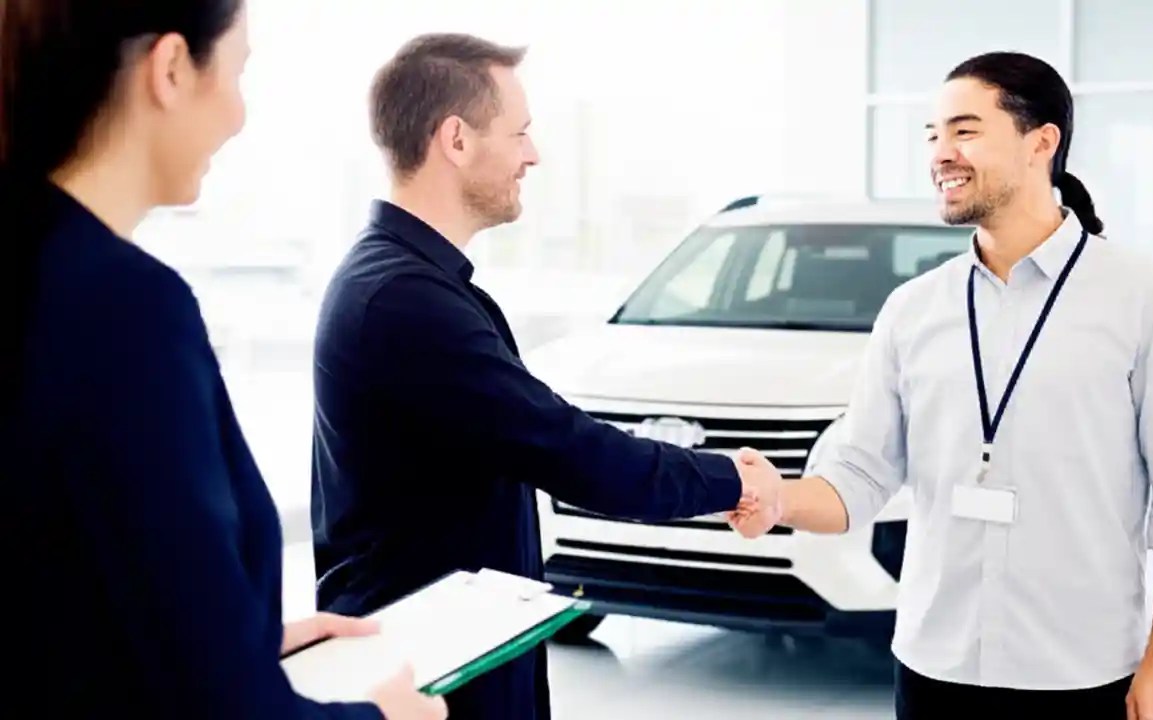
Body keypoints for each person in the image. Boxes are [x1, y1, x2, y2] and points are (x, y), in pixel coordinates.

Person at [730, 51, 1153, 720]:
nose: (941, 153)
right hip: (935, 666)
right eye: (933, 135)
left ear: (1040, 143)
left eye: (964, 130)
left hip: (1082, 673)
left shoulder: (1145, 298)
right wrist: (775, 499)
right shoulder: (913, 308)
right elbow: (860, 474)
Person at [310, 33, 779, 720]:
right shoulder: (404, 299)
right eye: (520, 132)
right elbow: (573, 453)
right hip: (428, 670)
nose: (533, 154)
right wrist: (736, 479)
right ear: (456, 139)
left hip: (454, 647)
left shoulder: (410, 283)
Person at [0, 2, 446, 717]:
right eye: (238, 71)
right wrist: (386, 716)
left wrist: (229, 642)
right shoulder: (122, 310)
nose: (239, 115)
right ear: (171, 69)